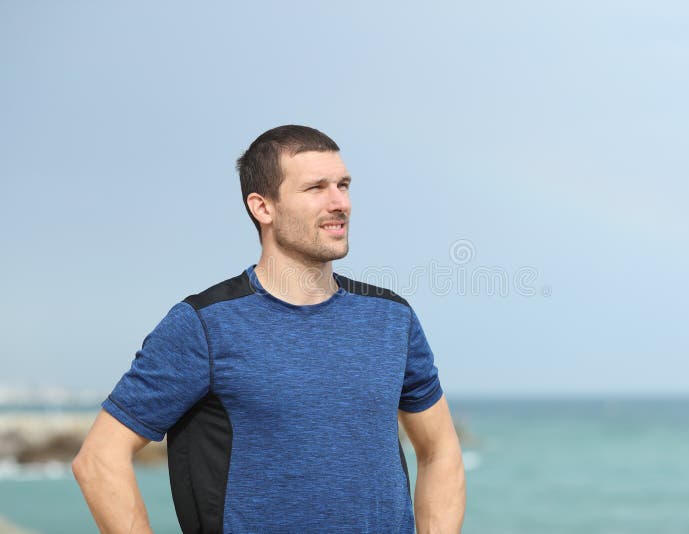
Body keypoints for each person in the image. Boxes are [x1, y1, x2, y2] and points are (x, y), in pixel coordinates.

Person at [72, 125, 466, 533]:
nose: (339, 203)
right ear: (263, 207)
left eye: (343, 185)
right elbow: (100, 458)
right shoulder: (204, 325)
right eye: (316, 188)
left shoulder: (391, 319)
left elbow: (439, 450)